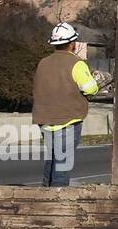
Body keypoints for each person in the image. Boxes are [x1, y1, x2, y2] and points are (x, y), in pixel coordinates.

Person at [32, 22, 100, 187]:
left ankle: (44, 195)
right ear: (73, 43)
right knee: (62, 164)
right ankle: (57, 201)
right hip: (68, 120)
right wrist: (94, 80)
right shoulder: (77, 64)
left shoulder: (43, 63)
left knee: (53, 158)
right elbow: (90, 89)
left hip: (44, 119)